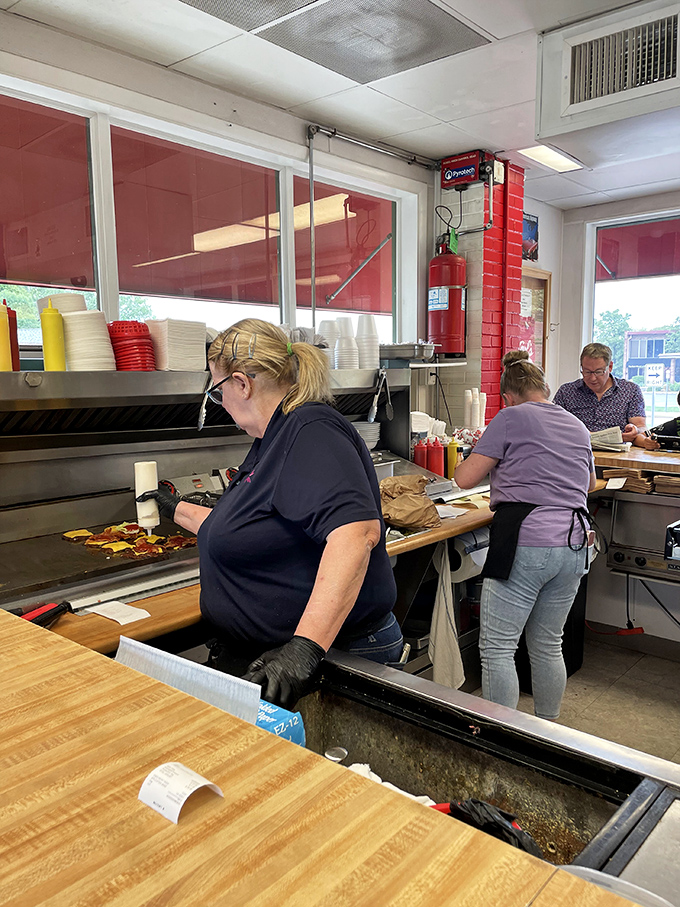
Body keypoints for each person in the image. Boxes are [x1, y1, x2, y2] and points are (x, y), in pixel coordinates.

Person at [139, 319, 400, 710]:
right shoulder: (272, 438)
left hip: (332, 658)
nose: (221, 402)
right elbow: (247, 526)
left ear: (242, 384)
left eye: (217, 391)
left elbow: (355, 535)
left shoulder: (311, 429)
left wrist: (305, 648)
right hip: (269, 657)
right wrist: (176, 508)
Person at [454, 350, 596, 720]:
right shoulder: (576, 425)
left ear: (508, 396)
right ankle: (546, 731)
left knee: (498, 648)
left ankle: (504, 736)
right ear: (544, 388)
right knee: (548, 644)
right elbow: (589, 484)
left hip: (527, 542)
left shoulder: (510, 417)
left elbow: (465, 479)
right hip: (574, 543)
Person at [553, 342, 659, 450]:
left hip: (617, 455)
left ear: (610, 367)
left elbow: (641, 427)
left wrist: (635, 430)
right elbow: (552, 425)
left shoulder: (630, 390)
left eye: (599, 372)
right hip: (576, 452)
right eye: (587, 372)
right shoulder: (566, 392)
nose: (592, 378)